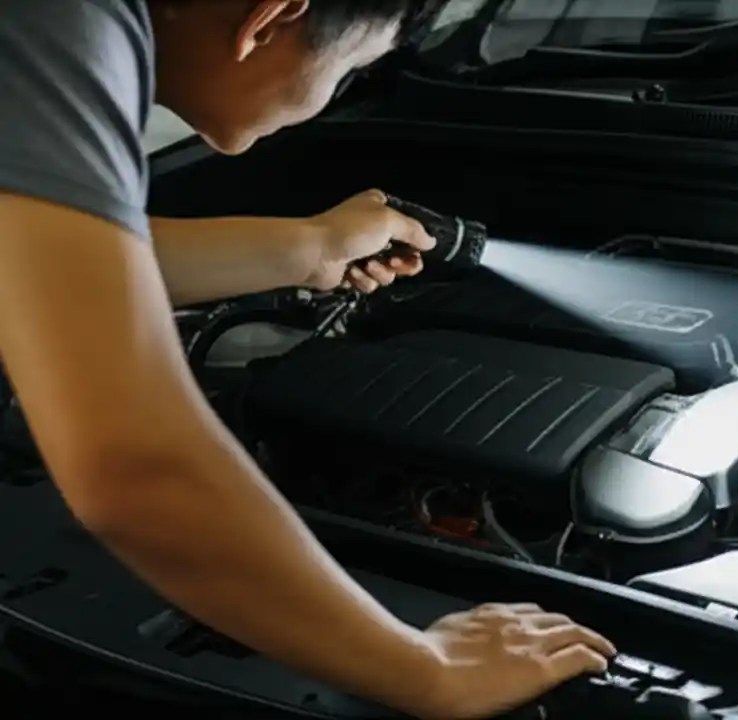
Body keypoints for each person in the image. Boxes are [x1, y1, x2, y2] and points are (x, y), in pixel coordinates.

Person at [0, 2, 615, 718]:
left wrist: (311, 248)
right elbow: (135, 465)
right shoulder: (66, 25)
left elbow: (47, 262)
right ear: (272, 17)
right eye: (351, 68)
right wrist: (429, 668)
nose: (337, 95)